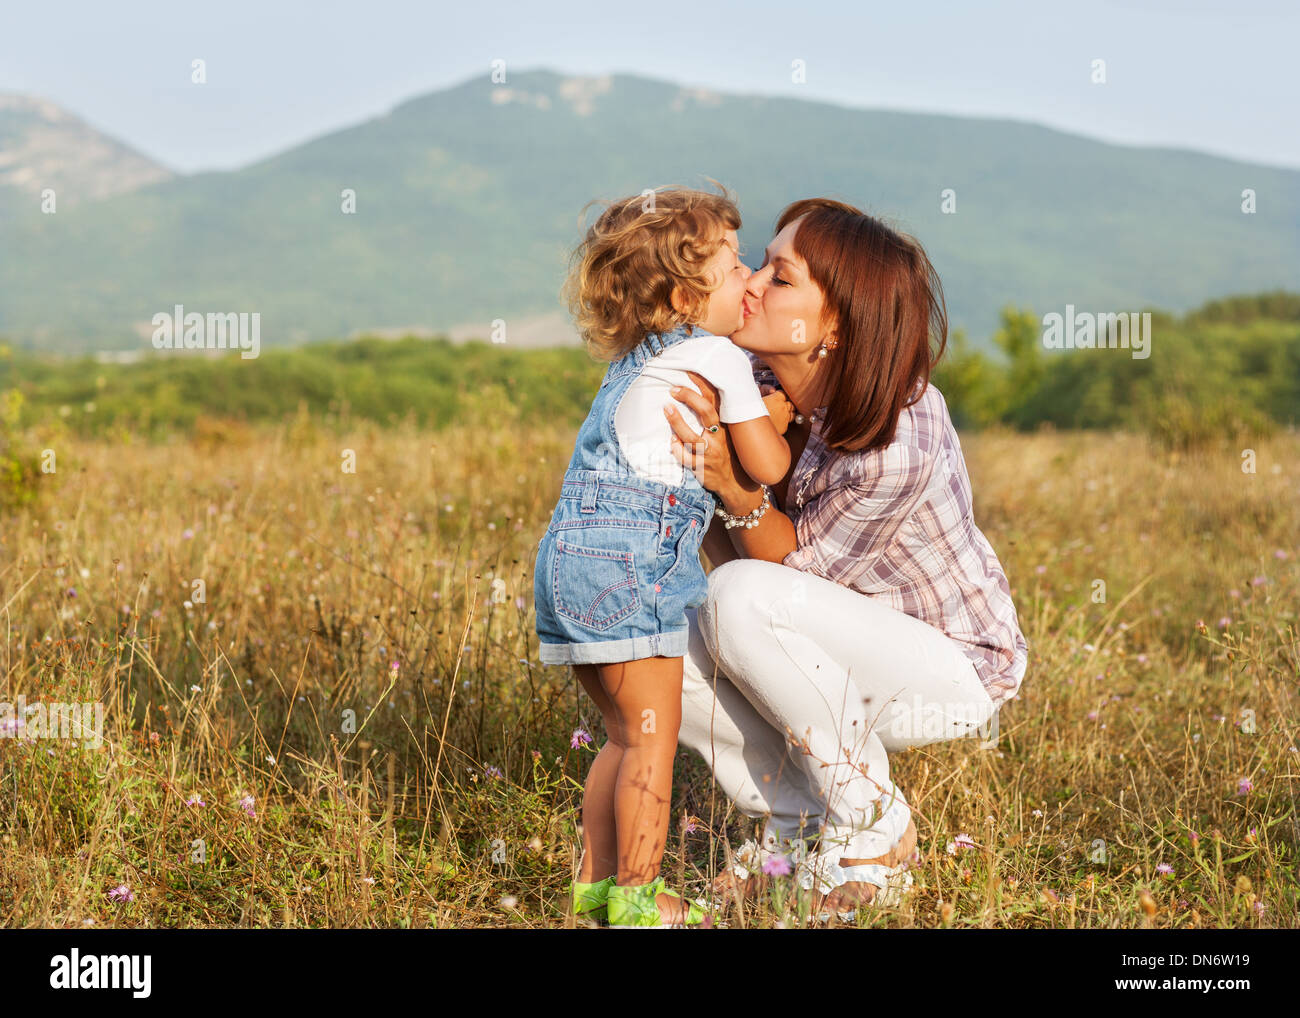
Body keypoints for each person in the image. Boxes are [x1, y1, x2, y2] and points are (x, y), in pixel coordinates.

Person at [662, 197, 1029, 922]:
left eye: (782, 275)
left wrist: (733, 483)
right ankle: (793, 832)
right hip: (828, 631)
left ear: (834, 326)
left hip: (949, 665)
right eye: (762, 261)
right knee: (660, 616)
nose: (753, 282)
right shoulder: (755, 378)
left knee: (737, 596)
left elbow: (784, 578)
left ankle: (873, 831)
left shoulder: (898, 441)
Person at [533, 185, 795, 927]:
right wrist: (776, 415)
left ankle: (595, 888)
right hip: (629, 569)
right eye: (736, 263)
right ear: (687, 292)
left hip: (569, 565)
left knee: (622, 735)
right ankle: (641, 902)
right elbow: (768, 468)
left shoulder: (632, 363)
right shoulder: (716, 355)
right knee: (653, 743)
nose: (749, 278)